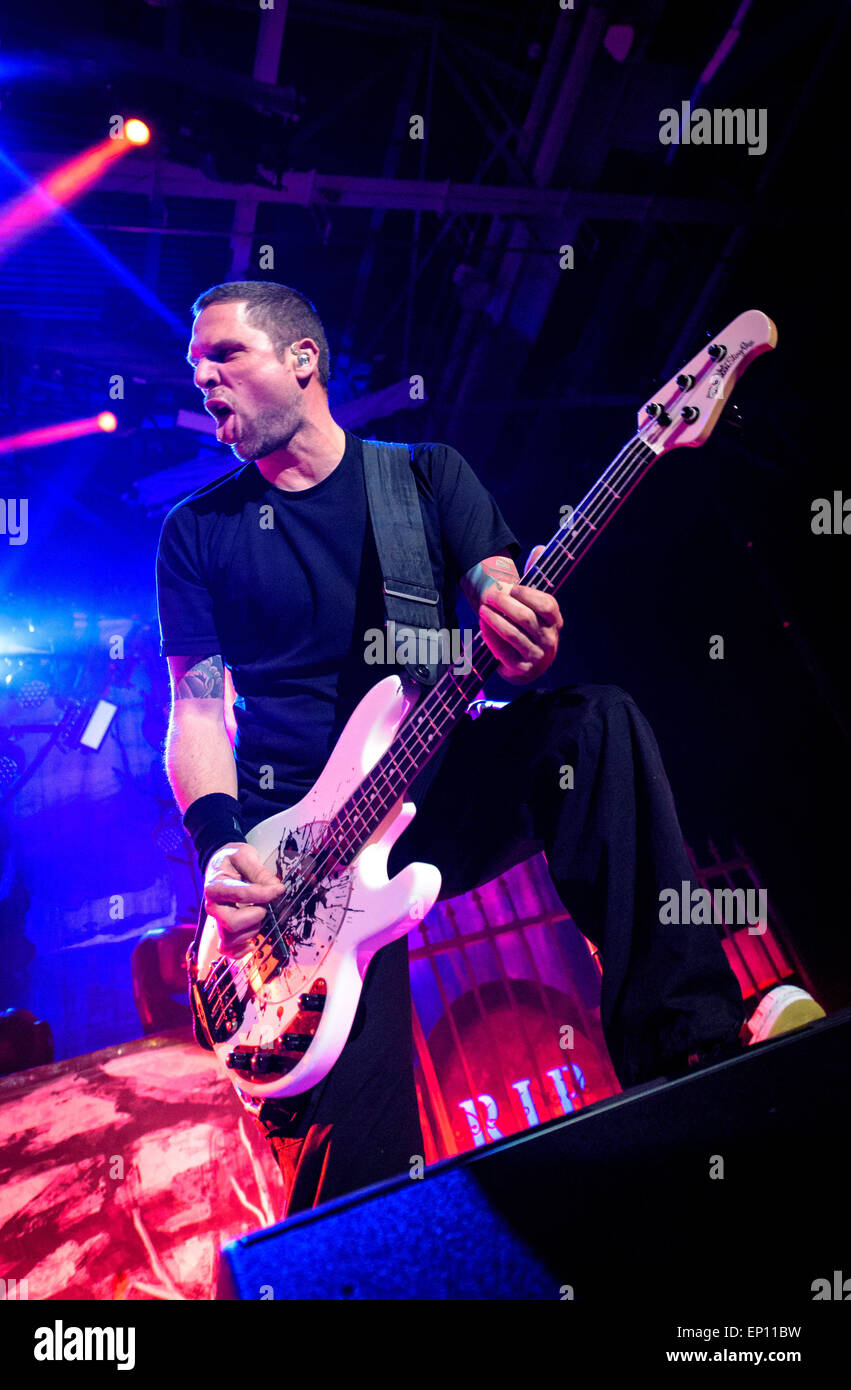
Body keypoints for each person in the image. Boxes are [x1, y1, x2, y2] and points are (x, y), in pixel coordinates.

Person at [156, 280, 751, 1218]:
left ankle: (689, 1048)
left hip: (431, 784)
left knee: (590, 722)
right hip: (297, 865)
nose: (203, 381)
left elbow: (501, 585)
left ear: (302, 360)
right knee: (355, 1177)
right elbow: (193, 711)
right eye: (195, 368)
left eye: (223, 355)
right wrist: (220, 845)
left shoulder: (425, 476)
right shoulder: (194, 532)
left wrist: (522, 623)